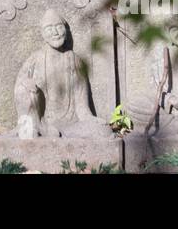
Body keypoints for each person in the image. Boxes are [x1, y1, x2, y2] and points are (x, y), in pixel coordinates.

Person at [12, 10, 111, 138]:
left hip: (72, 125)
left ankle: (59, 134)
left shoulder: (74, 60)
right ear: (42, 34)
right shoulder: (34, 60)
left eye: (59, 27)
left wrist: (90, 119)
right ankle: (40, 130)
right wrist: (27, 86)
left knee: (103, 131)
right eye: (49, 28)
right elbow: (20, 92)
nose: (55, 32)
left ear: (66, 31)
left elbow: (83, 109)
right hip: (42, 123)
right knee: (23, 88)